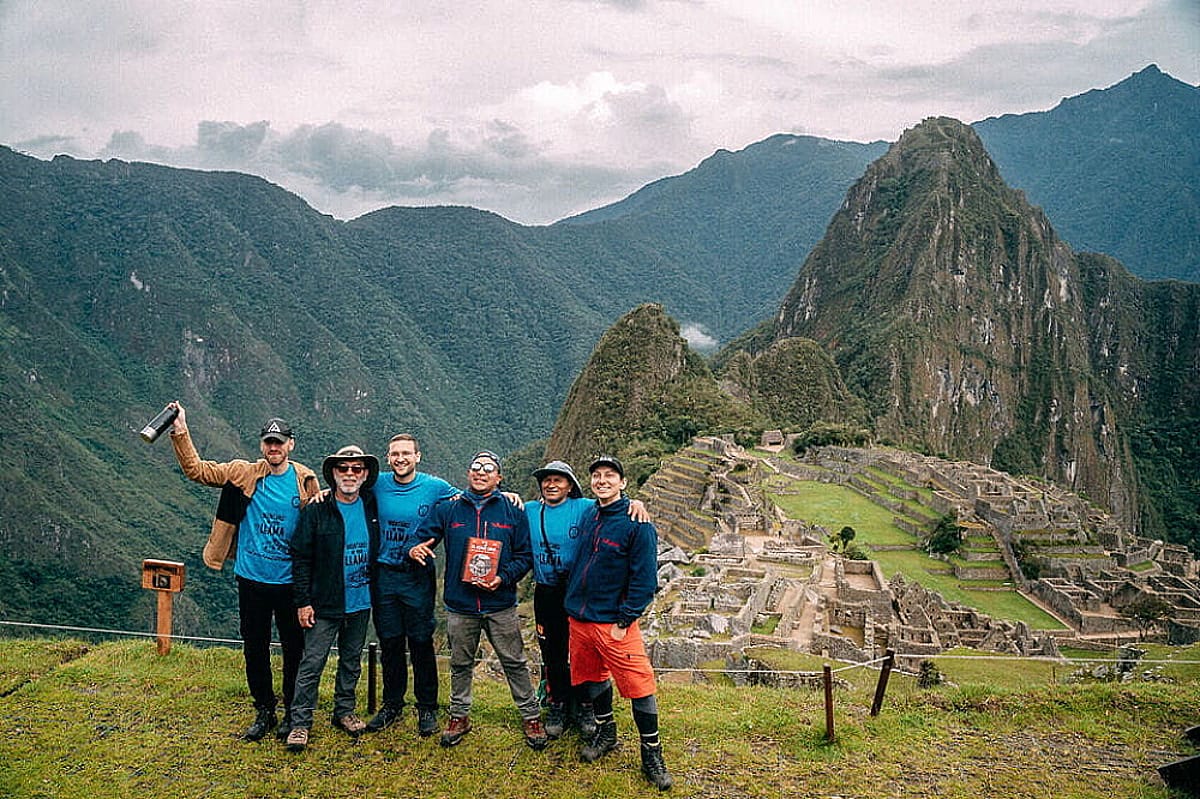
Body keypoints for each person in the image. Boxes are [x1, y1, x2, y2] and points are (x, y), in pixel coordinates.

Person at [166, 402, 320, 742]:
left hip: (289, 582)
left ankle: (294, 712)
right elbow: (198, 470)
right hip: (251, 579)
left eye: (280, 442)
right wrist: (180, 430)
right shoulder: (242, 473)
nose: (274, 447)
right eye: (269, 442)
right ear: (262, 445)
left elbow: (318, 526)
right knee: (255, 647)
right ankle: (264, 709)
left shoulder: (305, 480)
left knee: (294, 648)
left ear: (291, 444)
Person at [407, 450, 548, 751]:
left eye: (488, 469)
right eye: (476, 468)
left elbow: (525, 556)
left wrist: (504, 577)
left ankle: (531, 716)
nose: (481, 473)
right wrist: (414, 548)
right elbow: (421, 536)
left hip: (501, 604)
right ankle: (459, 715)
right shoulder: (449, 509)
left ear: (499, 477)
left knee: (514, 661)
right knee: (460, 663)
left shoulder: (512, 511)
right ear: (468, 473)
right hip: (461, 604)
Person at [564, 455, 672, 790]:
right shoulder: (588, 514)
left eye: (610, 475)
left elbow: (645, 580)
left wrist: (625, 621)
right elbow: (551, 500)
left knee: (639, 686)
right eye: (596, 475)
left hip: (614, 622)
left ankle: (651, 752)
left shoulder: (637, 524)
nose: (602, 480)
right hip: (580, 618)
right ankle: (606, 731)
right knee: (593, 677)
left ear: (623, 482)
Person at [526, 460, 649, 739]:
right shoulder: (530, 510)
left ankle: (585, 706)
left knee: (583, 657)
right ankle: (558, 703)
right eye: (547, 480)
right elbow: (501, 507)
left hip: (577, 591)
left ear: (571, 486)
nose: (552, 484)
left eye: (559, 480)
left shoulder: (585, 508)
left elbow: (612, 503)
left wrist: (636, 503)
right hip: (545, 592)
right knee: (552, 654)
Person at [285, 445, 380, 752]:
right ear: (334, 474)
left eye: (356, 469)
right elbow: (300, 557)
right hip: (324, 602)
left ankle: (344, 711)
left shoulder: (371, 504)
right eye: (344, 469)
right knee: (312, 662)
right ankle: (300, 722)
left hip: (360, 600)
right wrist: (303, 601)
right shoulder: (317, 509)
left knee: (352, 661)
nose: (350, 474)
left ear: (365, 475)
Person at [365, 434, 457, 737]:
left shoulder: (436, 487)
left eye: (406, 453)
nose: (400, 458)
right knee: (390, 641)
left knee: (420, 640)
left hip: (417, 574)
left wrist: (504, 496)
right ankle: (392, 704)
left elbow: (470, 499)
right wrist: (318, 493)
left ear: (418, 456)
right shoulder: (377, 483)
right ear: (388, 458)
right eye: (395, 454)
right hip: (384, 573)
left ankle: (427, 706)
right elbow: (345, 490)